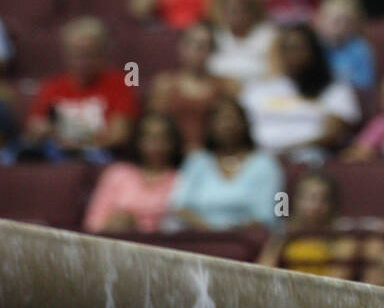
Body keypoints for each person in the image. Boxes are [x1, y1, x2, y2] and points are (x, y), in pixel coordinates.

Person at [239, 22, 361, 160]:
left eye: (298, 48)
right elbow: (239, 129)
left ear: (314, 51)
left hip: (311, 160)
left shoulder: (335, 89)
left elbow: (333, 134)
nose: (291, 54)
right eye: (286, 49)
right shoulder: (258, 89)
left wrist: (286, 150)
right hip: (259, 160)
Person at [26, 16, 139, 160]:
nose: (82, 62)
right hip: (54, 153)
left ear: (104, 53)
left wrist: (71, 140)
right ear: (66, 54)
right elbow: (33, 130)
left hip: (97, 155)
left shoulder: (121, 83)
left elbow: (119, 136)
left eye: (90, 55)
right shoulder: (52, 86)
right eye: (77, 54)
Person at [168, 96, 284, 230]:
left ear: (245, 123)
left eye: (233, 119)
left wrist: (230, 233)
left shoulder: (265, 163)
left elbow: (267, 215)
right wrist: (208, 231)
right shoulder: (197, 161)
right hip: (198, 237)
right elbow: (179, 206)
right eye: (221, 120)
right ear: (210, 125)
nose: (228, 125)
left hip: (245, 241)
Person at [83, 112, 183, 233]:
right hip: (110, 240)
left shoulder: (180, 180)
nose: (156, 144)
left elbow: (175, 226)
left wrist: (135, 227)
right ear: (137, 140)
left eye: (163, 138)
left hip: (157, 245)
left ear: (173, 142)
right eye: (149, 137)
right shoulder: (117, 173)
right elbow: (93, 222)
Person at [145, 22, 230, 151]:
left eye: (204, 46)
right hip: (171, 156)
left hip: (211, 156)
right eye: (191, 44)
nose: (197, 51)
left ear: (212, 52)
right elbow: (154, 125)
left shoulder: (224, 86)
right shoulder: (165, 85)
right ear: (181, 47)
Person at [258, 170, 356, 278]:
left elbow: (338, 280)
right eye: (308, 198)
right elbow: (263, 273)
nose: (315, 205)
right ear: (296, 199)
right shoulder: (284, 232)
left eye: (323, 199)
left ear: (332, 204)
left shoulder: (341, 236)